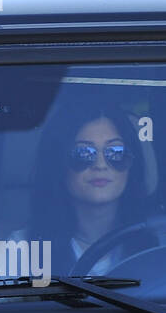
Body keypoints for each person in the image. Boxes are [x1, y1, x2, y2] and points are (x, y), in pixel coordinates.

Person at [25, 105, 158, 275]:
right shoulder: (22, 250)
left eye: (116, 152)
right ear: (58, 164)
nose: (100, 165)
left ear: (132, 164)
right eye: (83, 152)